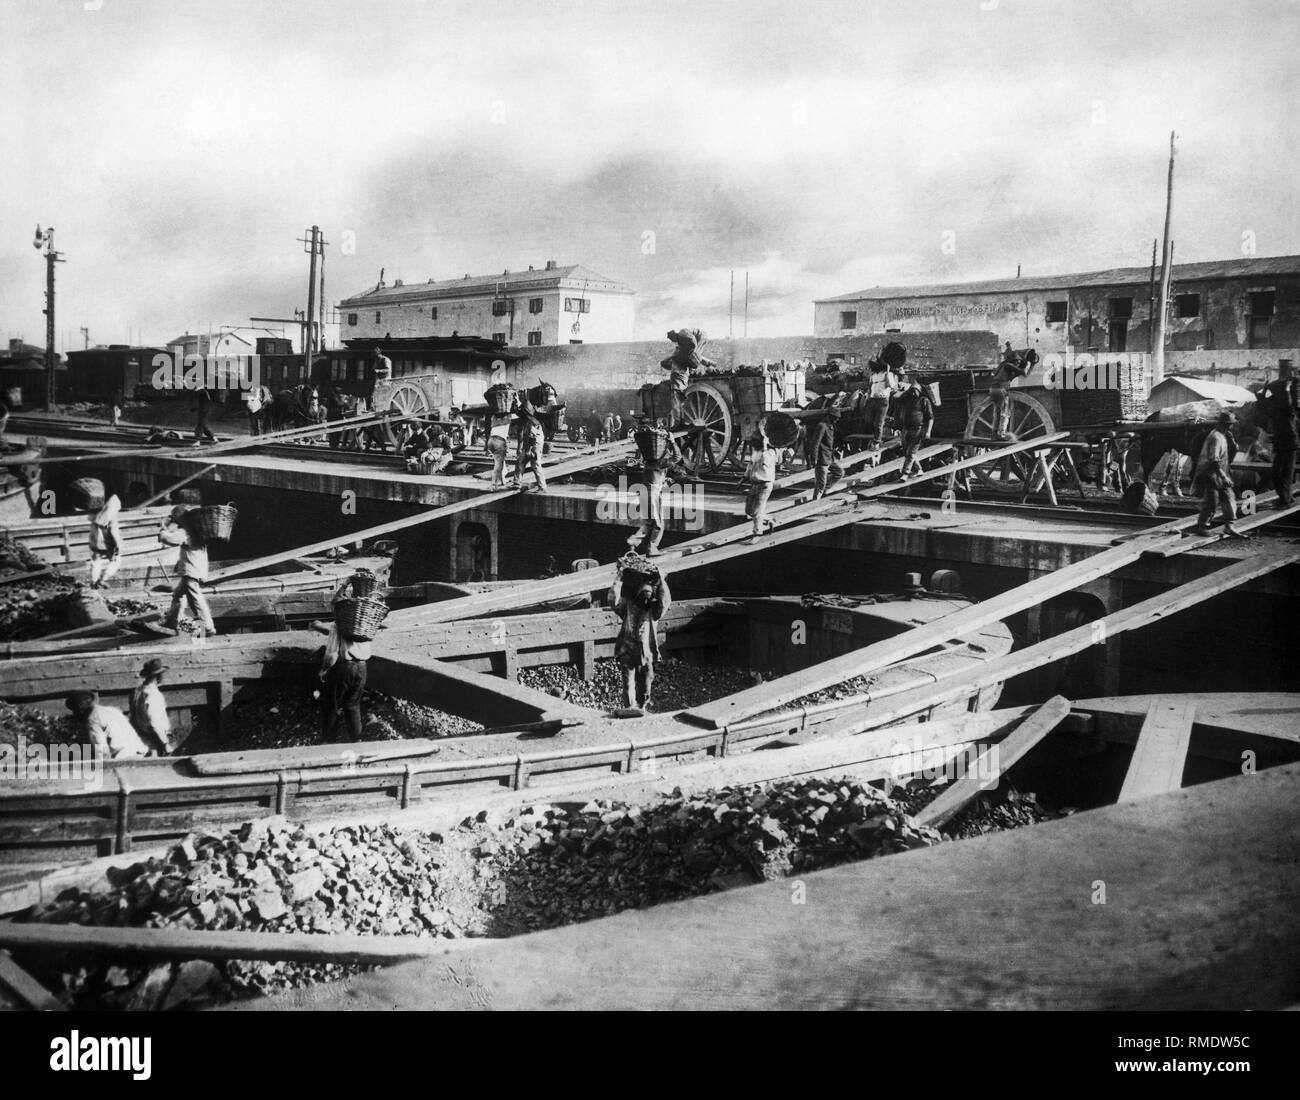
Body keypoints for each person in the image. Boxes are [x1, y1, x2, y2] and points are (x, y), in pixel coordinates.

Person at [613, 573, 672, 711]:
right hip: (627, 650)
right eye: (643, 595)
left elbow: (665, 602)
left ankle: (642, 706)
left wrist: (662, 580)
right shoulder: (627, 607)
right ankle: (629, 708)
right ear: (638, 595)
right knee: (628, 684)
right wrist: (618, 579)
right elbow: (614, 601)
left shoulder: (654, 612)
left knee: (646, 684)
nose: (645, 599)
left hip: (646, 654)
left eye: (649, 596)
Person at [158, 506, 218, 636]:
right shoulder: (195, 530)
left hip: (191, 572)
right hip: (194, 569)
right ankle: (172, 622)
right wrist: (179, 564)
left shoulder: (186, 531)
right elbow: (189, 551)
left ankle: (208, 627)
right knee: (178, 595)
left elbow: (169, 539)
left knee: (195, 599)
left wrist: (163, 530)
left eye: (174, 519)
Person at [629, 419, 682, 557]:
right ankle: (652, 548)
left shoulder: (648, 462)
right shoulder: (661, 462)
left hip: (644, 493)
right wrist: (672, 441)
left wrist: (665, 480)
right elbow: (677, 457)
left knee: (648, 522)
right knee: (658, 524)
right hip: (652, 494)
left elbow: (657, 477)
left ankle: (634, 541)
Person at [1191, 412, 1248, 538]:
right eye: (1231, 425)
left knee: (1229, 497)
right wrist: (1224, 477)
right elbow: (1214, 460)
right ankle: (1202, 526)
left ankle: (1229, 526)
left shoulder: (1223, 435)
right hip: (1210, 473)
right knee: (1212, 500)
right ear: (1227, 425)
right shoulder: (1216, 437)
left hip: (1220, 472)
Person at [319, 620, 369, 742]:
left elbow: (332, 655)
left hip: (345, 668)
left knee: (331, 705)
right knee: (352, 706)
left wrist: (323, 670)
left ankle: (328, 741)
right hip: (362, 667)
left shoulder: (338, 624)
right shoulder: (365, 624)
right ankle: (357, 740)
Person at [1258, 358, 1298, 508]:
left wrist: (1287, 389)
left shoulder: (1289, 411)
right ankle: (1286, 497)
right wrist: (1265, 387)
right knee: (1278, 473)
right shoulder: (1277, 411)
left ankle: (1285, 500)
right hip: (1282, 443)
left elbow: (1288, 406)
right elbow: (1263, 405)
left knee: (1284, 473)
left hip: (1289, 443)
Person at [67, 690, 153, 759]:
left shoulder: (92, 720)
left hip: (124, 758)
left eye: (75, 711)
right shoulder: (112, 710)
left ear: (80, 708)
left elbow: (102, 752)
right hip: (141, 751)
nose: (75, 714)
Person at [661, 328, 716, 424]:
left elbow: (693, 343)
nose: (672, 341)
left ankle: (678, 422)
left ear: (674, 335)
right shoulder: (682, 349)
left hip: (699, 338)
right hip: (701, 337)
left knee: (676, 398)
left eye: (672, 339)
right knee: (695, 356)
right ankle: (711, 364)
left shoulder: (682, 336)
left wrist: (692, 354)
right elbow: (696, 355)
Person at [893, 372, 936, 479]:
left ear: (920, 392)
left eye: (916, 391)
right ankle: (919, 469)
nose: (913, 393)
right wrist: (905, 390)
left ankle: (905, 473)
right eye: (912, 390)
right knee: (907, 453)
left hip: (918, 430)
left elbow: (930, 418)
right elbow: (895, 396)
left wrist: (928, 431)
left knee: (911, 453)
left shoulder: (924, 401)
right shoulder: (906, 400)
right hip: (905, 430)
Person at [129, 657, 175, 755]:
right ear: (158, 676)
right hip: (155, 741)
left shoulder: (137, 692)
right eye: (162, 674)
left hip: (141, 738)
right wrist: (165, 744)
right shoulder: (153, 695)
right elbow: (155, 723)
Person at [990, 348, 1038, 438]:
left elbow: (1025, 375)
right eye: (1017, 361)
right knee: (1005, 413)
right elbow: (1023, 372)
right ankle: (1001, 434)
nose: (1018, 363)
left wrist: (1032, 365)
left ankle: (994, 434)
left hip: (994, 389)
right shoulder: (1008, 366)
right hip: (1001, 389)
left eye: (1019, 362)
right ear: (1012, 361)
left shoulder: (1006, 367)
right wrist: (1028, 363)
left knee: (997, 412)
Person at [743, 428, 778, 542]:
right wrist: (744, 477)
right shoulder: (756, 451)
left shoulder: (770, 453)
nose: (752, 443)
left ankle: (757, 534)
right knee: (749, 511)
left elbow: (766, 462)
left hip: (765, 485)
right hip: (755, 484)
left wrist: (765, 447)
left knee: (757, 510)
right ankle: (770, 519)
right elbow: (751, 464)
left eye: (754, 441)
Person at [88, 493, 124, 589]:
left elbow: (92, 533)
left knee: (96, 561)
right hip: (108, 543)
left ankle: (93, 582)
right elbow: (113, 533)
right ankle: (103, 579)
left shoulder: (96, 518)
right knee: (116, 560)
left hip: (96, 543)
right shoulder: (111, 518)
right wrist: (117, 545)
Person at [863, 357, 900, 448]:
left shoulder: (889, 374)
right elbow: (870, 387)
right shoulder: (874, 375)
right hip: (872, 400)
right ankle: (874, 436)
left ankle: (877, 440)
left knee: (878, 422)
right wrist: (867, 397)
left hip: (882, 401)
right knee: (868, 420)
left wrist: (887, 372)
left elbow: (891, 385)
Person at [513, 400, 548, 492]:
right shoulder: (533, 419)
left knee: (534, 465)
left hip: (533, 446)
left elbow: (532, 436)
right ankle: (517, 483)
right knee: (521, 462)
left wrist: (529, 450)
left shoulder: (532, 422)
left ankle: (542, 487)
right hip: (532, 445)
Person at [486, 409, 513, 488]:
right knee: (498, 465)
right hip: (499, 440)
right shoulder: (508, 417)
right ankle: (494, 483)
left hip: (491, 440)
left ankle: (502, 480)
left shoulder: (493, 417)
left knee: (499, 462)